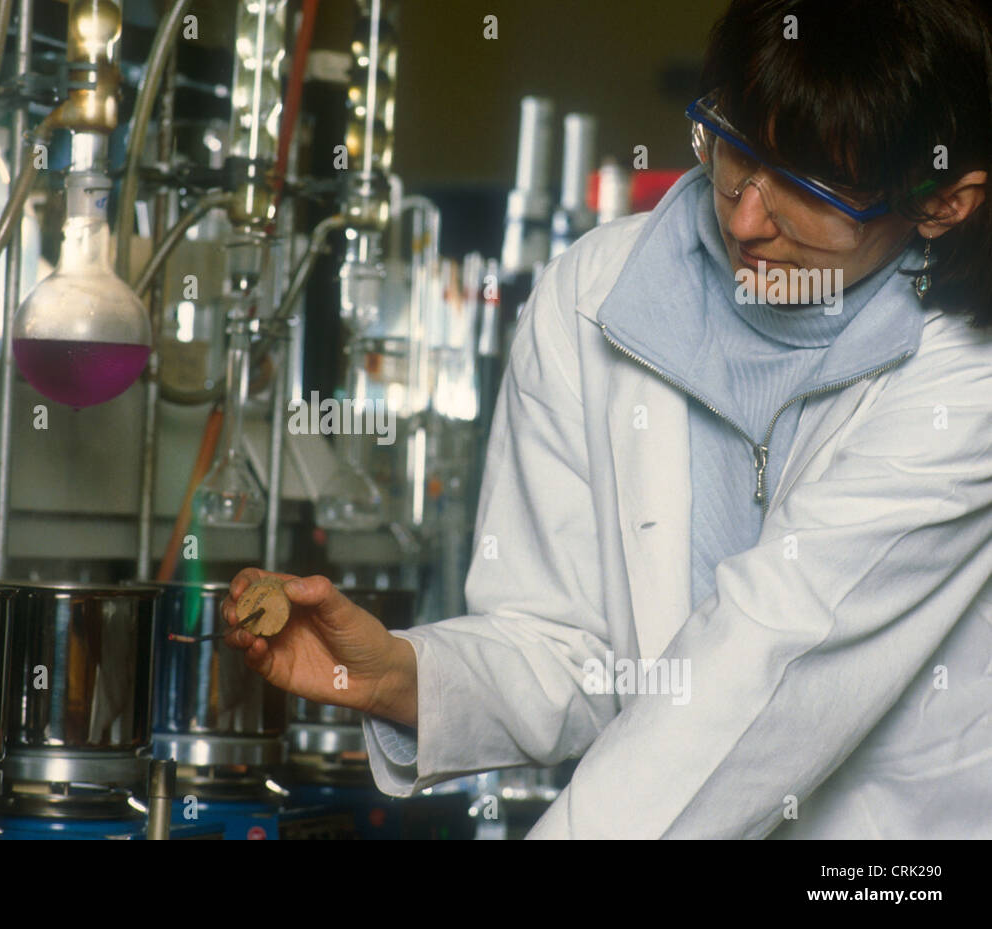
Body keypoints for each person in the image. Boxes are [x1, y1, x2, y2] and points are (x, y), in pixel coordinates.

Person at [224, 0, 992, 838]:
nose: (742, 217)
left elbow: (772, 654)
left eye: (808, 189)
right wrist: (404, 675)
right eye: (734, 149)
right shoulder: (595, 296)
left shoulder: (966, 379)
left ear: (945, 201)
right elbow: (575, 649)